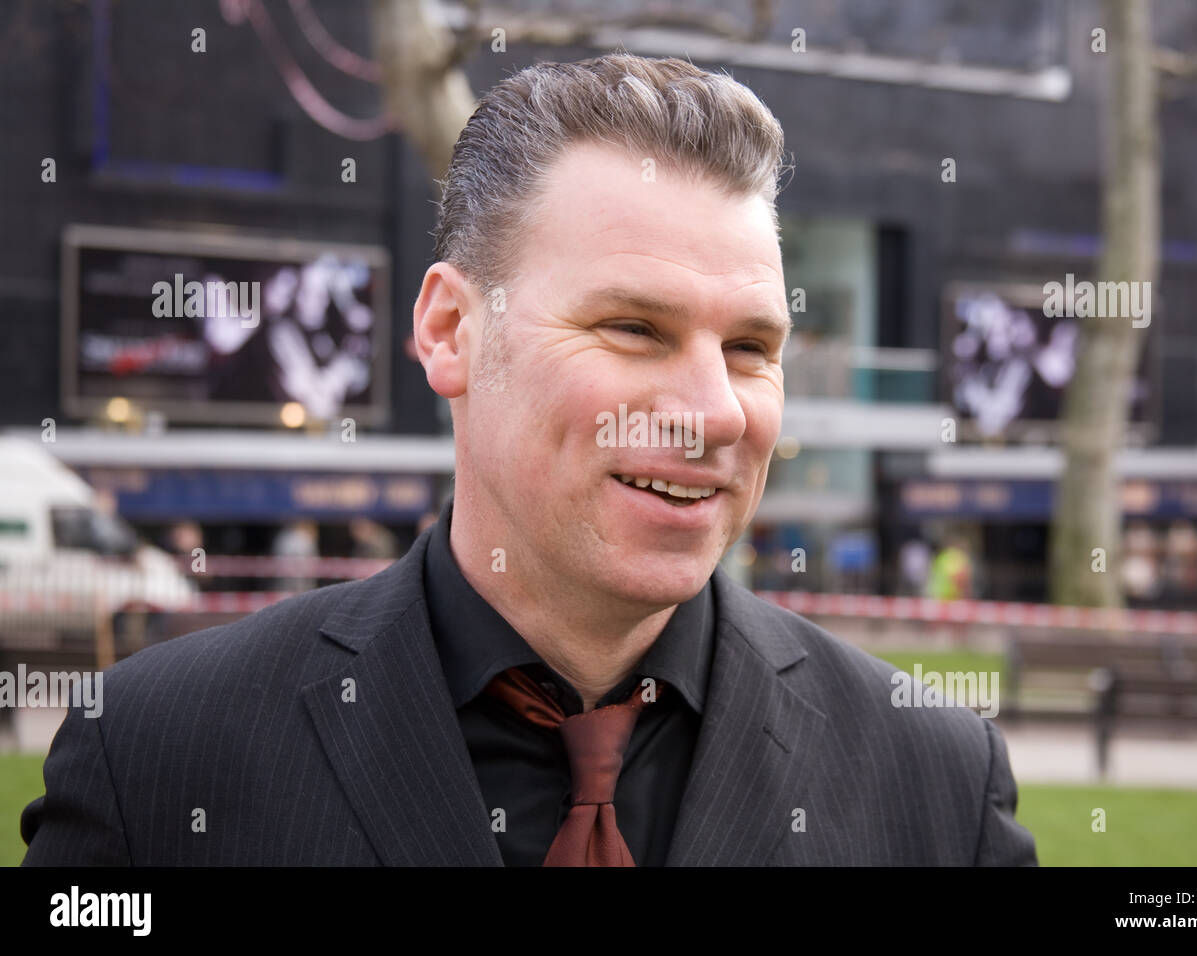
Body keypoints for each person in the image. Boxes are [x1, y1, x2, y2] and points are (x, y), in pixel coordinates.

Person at [21, 54, 1036, 866]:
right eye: (634, 327)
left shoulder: (937, 786)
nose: (713, 411)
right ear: (452, 330)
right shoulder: (157, 756)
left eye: (749, 349)